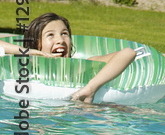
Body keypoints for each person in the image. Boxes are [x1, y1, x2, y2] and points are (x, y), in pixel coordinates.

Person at [1, 11, 137, 103]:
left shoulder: (82, 67)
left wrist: (91, 88)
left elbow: (128, 53)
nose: (60, 40)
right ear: (36, 43)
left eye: (64, 34)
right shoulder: (25, 69)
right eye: (50, 35)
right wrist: (29, 52)